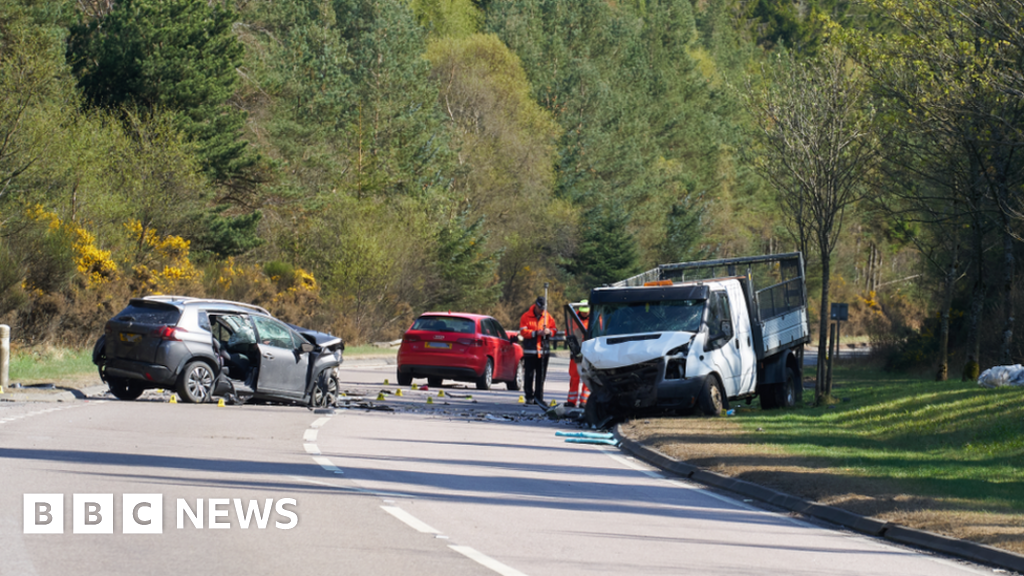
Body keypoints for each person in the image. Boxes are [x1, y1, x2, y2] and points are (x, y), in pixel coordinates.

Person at [519, 296, 557, 406]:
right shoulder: (526, 316)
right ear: (536, 305)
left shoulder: (547, 317)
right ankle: (529, 396)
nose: (542, 311)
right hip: (530, 351)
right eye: (540, 308)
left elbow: (554, 329)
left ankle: (538, 398)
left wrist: (548, 332)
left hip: (543, 352)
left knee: (541, 377)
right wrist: (536, 333)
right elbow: (523, 331)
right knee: (529, 375)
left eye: (543, 309)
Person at [566, 300, 590, 407]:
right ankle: (571, 401)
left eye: (586, 311)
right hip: (576, 350)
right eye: (583, 311)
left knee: (588, 376)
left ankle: (584, 401)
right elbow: (568, 332)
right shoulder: (573, 318)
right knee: (574, 376)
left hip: (589, 351)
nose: (585, 313)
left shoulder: (595, 318)